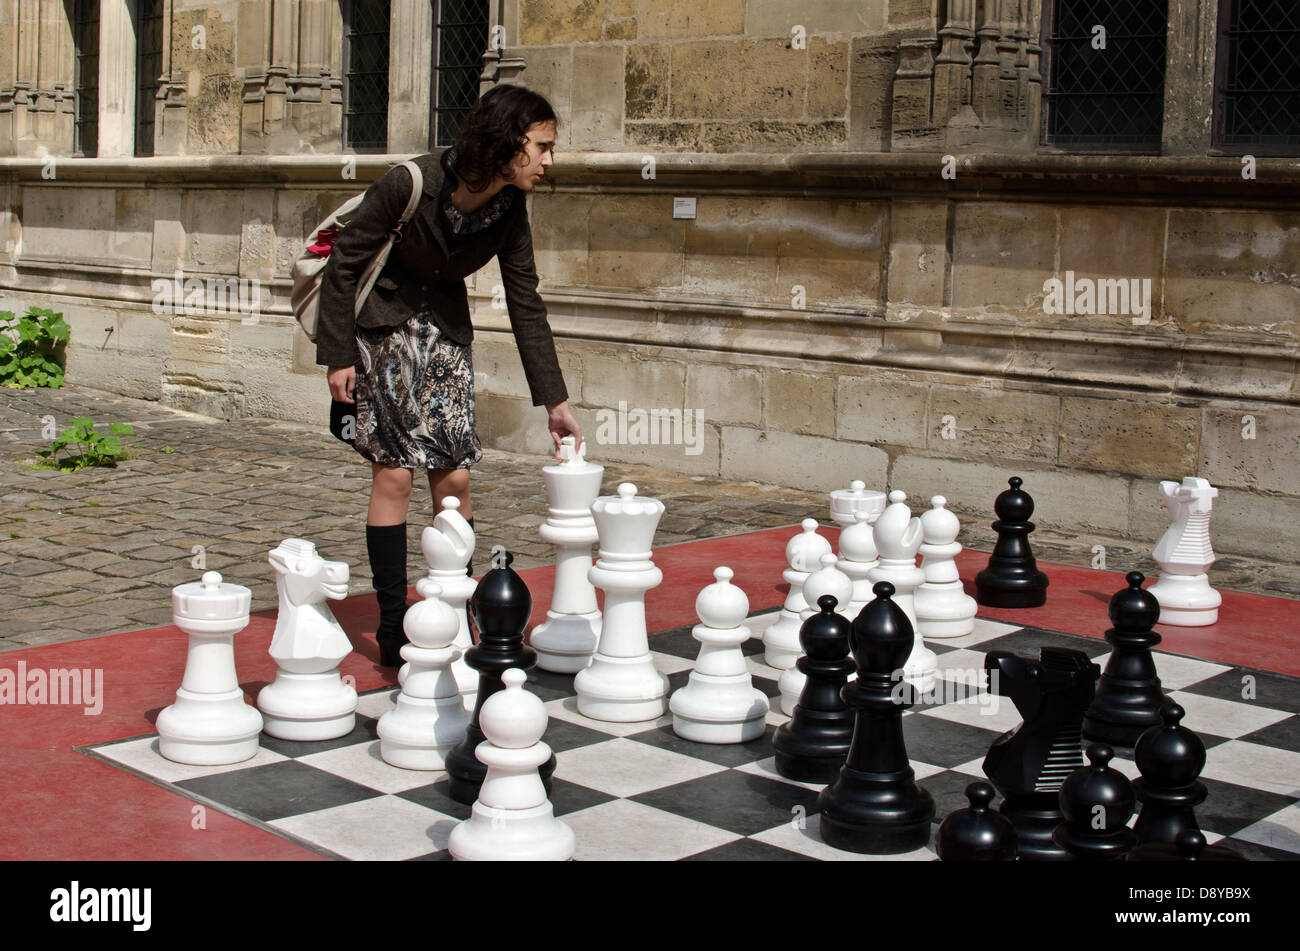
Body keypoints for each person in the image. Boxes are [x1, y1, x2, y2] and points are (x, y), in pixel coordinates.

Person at [315, 84, 581, 666]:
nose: (549, 161)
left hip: (445, 340)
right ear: (510, 143)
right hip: (382, 333)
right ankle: (390, 625)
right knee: (394, 477)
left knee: (454, 479)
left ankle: (453, 611)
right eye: (542, 146)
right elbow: (343, 265)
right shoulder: (410, 182)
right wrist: (337, 356)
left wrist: (554, 401)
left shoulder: (510, 205)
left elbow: (525, 299)